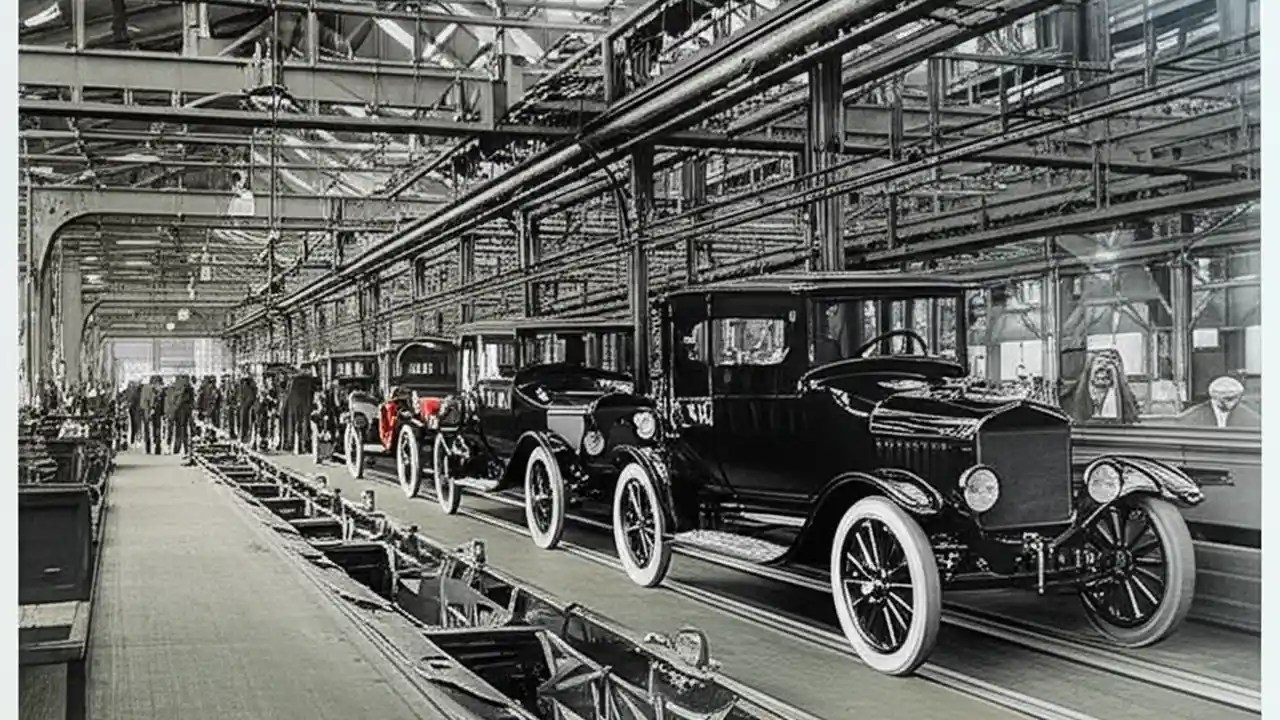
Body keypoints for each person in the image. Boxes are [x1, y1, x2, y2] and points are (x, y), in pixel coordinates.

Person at [1062, 348, 1139, 425]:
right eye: (1100, 362)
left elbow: (1131, 420)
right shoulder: (1069, 399)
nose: (1106, 367)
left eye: (1110, 363)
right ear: (1089, 368)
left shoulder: (1127, 399)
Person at [1176, 375, 1261, 429]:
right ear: (1214, 398)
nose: (1231, 404)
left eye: (1234, 398)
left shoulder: (1253, 419)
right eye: (1226, 399)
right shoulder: (1192, 418)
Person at [140, 375, 164, 454]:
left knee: (155, 428)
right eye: (158, 384)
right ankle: (150, 447)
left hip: (155, 411)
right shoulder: (147, 389)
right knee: (150, 429)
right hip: (148, 411)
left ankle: (156, 446)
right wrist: (149, 410)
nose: (159, 386)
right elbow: (144, 401)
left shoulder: (159, 391)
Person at [173, 375, 195, 456]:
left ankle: (179, 449)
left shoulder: (182, 389)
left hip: (182, 411)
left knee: (181, 430)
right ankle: (183, 449)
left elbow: (175, 401)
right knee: (183, 430)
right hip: (184, 411)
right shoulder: (187, 389)